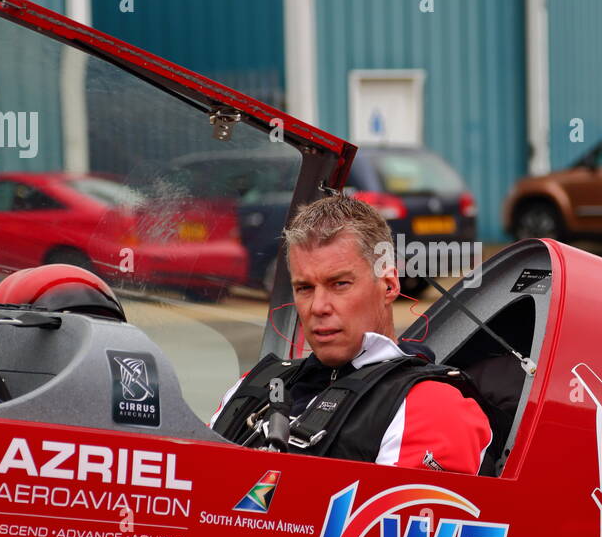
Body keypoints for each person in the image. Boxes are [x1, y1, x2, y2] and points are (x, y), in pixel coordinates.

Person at [211, 195, 492, 474]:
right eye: (304, 288)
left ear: (389, 285)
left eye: (340, 284)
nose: (318, 307)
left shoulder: (432, 408)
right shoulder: (253, 385)